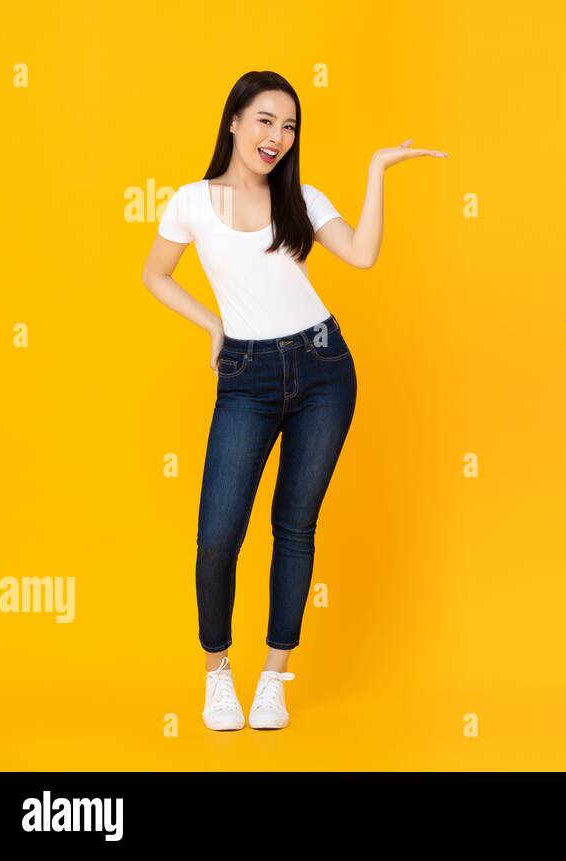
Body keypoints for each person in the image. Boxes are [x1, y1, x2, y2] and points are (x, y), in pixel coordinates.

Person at [141, 70, 446, 730]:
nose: (277, 136)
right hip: (246, 375)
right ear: (233, 121)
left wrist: (376, 170)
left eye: (289, 126)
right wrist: (213, 323)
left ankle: (274, 677)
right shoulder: (191, 202)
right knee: (219, 535)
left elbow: (362, 255)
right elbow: (154, 274)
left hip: (323, 368)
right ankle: (217, 674)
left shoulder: (301, 197)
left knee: (294, 524)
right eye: (264, 120)